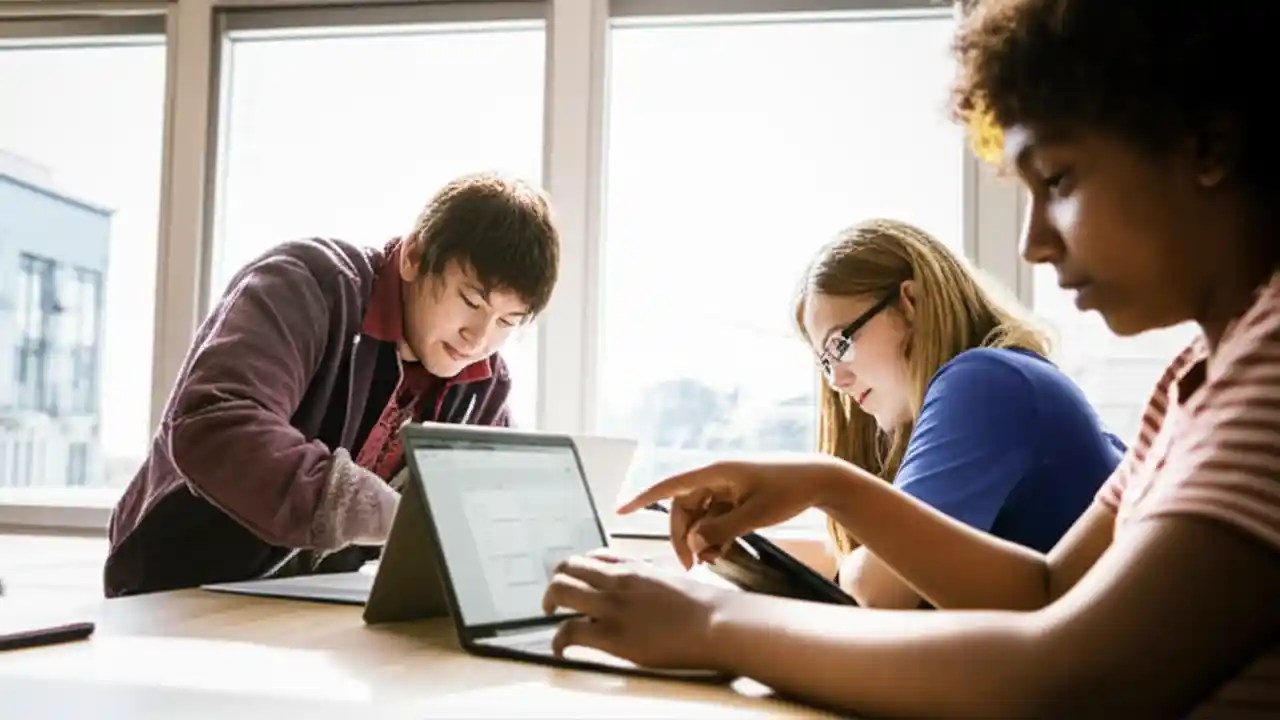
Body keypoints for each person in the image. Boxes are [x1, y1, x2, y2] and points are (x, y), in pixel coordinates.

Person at [541, 1, 1280, 716]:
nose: (1032, 244)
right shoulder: (1190, 382)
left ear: (1206, 145)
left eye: (1057, 180)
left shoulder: (1268, 366)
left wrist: (711, 624)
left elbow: (1078, 681)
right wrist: (828, 483)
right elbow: (1044, 593)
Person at [105, 172, 560, 598]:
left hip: (306, 602)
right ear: (414, 257)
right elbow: (216, 425)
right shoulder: (309, 285)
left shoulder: (484, 382)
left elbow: (486, 508)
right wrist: (395, 519)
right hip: (176, 586)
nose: (478, 338)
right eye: (471, 301)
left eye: (506, 322)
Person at [795, 218, 1123, 607]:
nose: (838, 380)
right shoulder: (1000, 383)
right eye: (826, 363)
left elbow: (877, 591)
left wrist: (826, 487)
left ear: (909, 303)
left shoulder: (985, 381)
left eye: (840, 345)